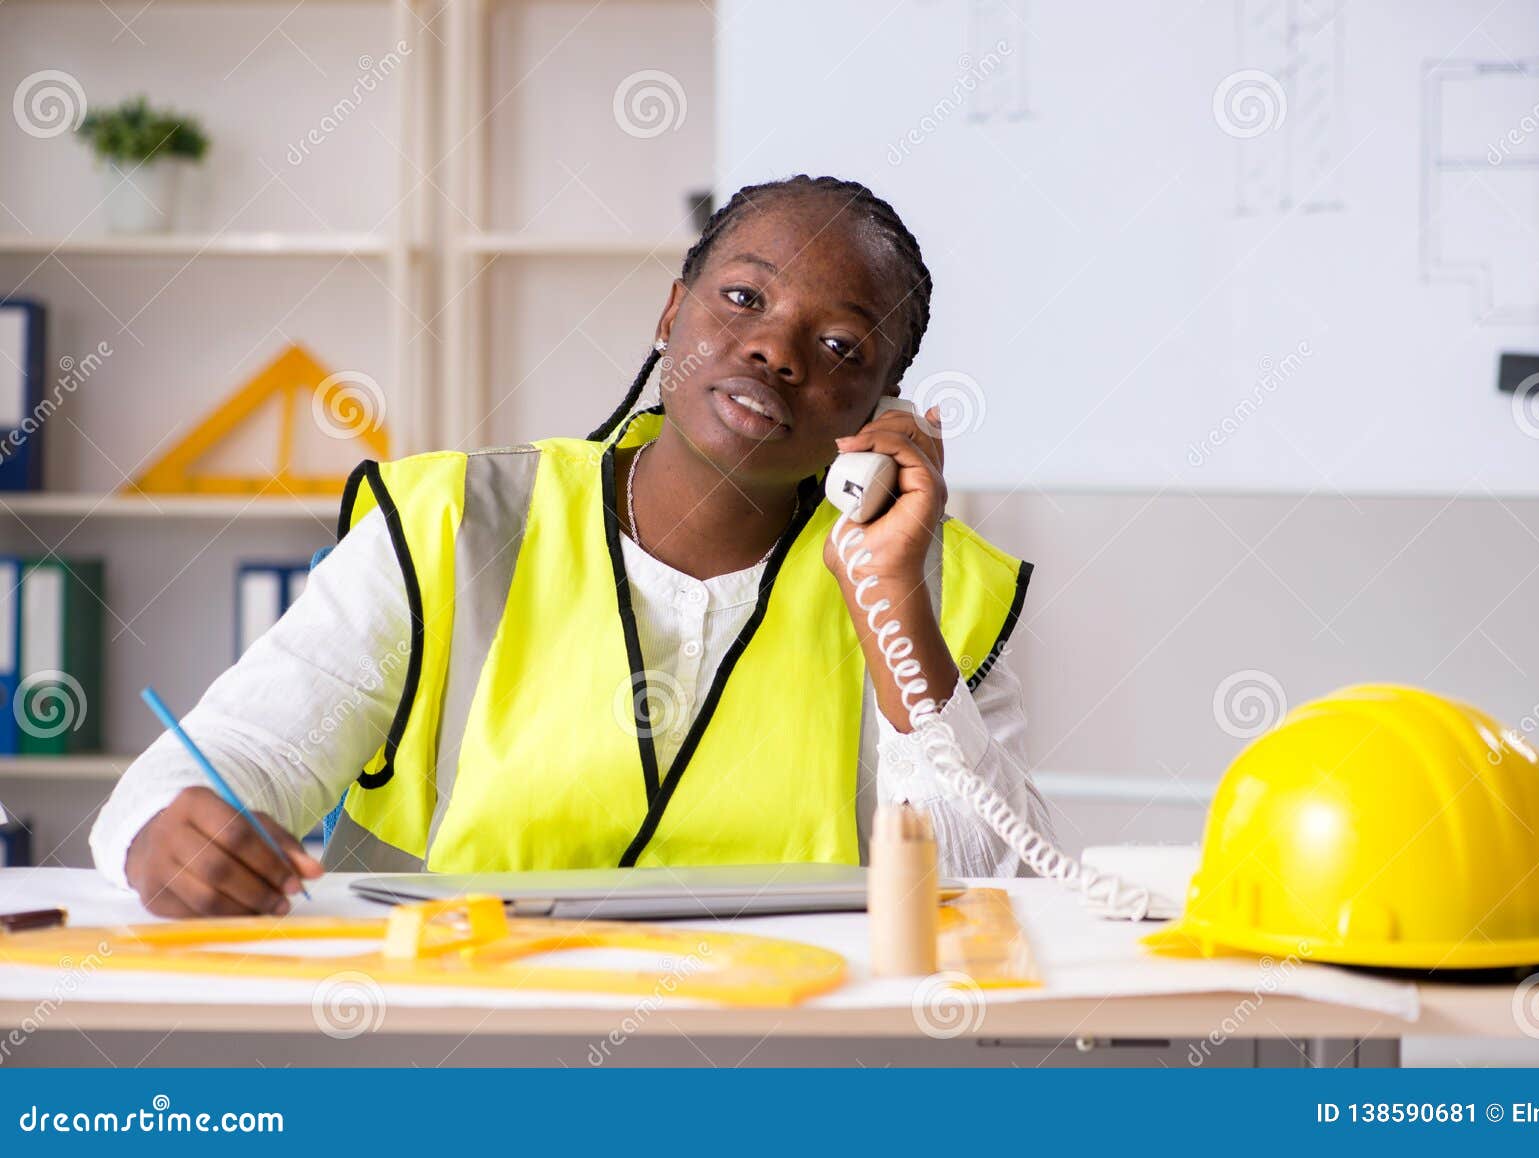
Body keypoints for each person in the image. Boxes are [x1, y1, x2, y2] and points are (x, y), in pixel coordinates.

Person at [89, 175, 1050, 917]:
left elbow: (1000, 887)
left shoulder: (936, 587)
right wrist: (166, 837)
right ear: (673, 314)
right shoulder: (452, 520)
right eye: (745, 299)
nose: (777, 351)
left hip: (783, 1055)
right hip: (453, 1045)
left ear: (880, 410)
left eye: (840, 346)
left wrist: (894, 607)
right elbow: (219, 761)